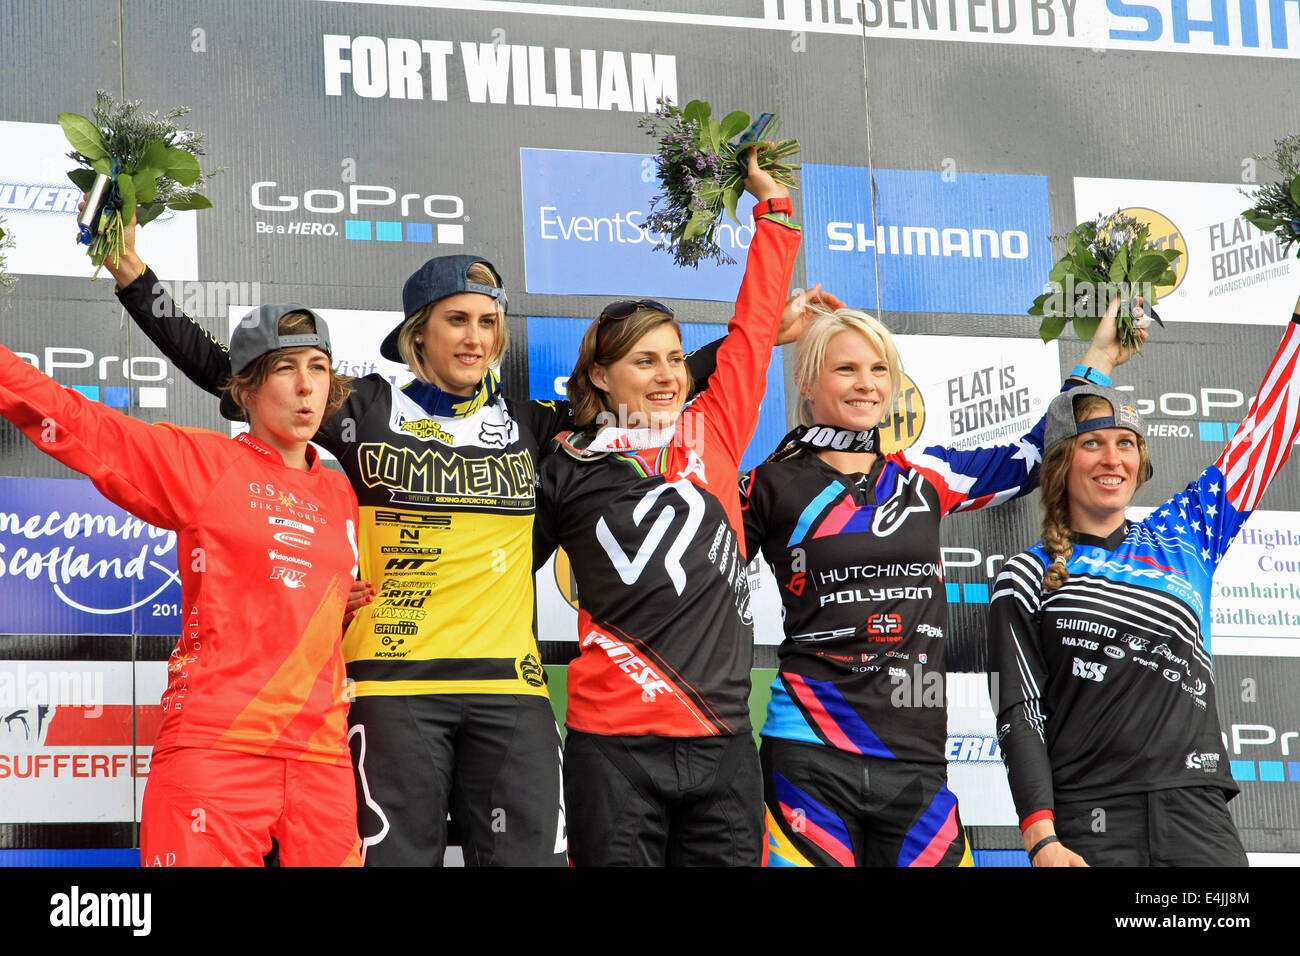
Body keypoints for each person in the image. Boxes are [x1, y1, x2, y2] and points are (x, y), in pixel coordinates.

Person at [97, 213, 756, 865]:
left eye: (488, 322)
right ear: (419, 331)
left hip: (511, 692)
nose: (475, 338)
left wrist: (751, 339)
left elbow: (644, 380)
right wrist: (135, 279)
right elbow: (225, 369)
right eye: (457, 320)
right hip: (392, 690)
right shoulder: (363, 412)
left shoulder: (538, 426)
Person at [740, 300, 1142, 867]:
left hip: (917, 758)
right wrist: (753, 339)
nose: (866, 384)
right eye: (846, 369)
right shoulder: (767, 484)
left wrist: (1098, 359)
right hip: (808, 749)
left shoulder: (921, 475)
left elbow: (1032, 455)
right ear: (807, 380)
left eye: (879, 369)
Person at [0, 305, 361, 866]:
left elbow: (295, 611)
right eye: (286, 368)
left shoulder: (340, 493)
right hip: (220, 745)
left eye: (318, 367)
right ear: (246, 389)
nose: (307, 385)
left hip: (322, 757)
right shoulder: (205, 462)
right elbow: (77, 422)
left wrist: (339, 601)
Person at [534, 152, 803, 865]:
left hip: (721, 739)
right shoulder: (569, 460)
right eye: (644, 360)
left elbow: (753, 330)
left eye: (676, 358)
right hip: (613, 745)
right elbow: (498, 572)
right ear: (599, 373)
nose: (666, 375)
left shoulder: (713, 426)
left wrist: (771, 211)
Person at [988, 292, 1300, 866]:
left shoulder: (1184, 536)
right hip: (1089, 817)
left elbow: (1266, 435)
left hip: (1197, 813)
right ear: (1061, 462)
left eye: (1126, 444)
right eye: (1093, 444)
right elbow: (1019, 714)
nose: (1113, 459)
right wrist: (1042, 840)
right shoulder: (1026, 574)